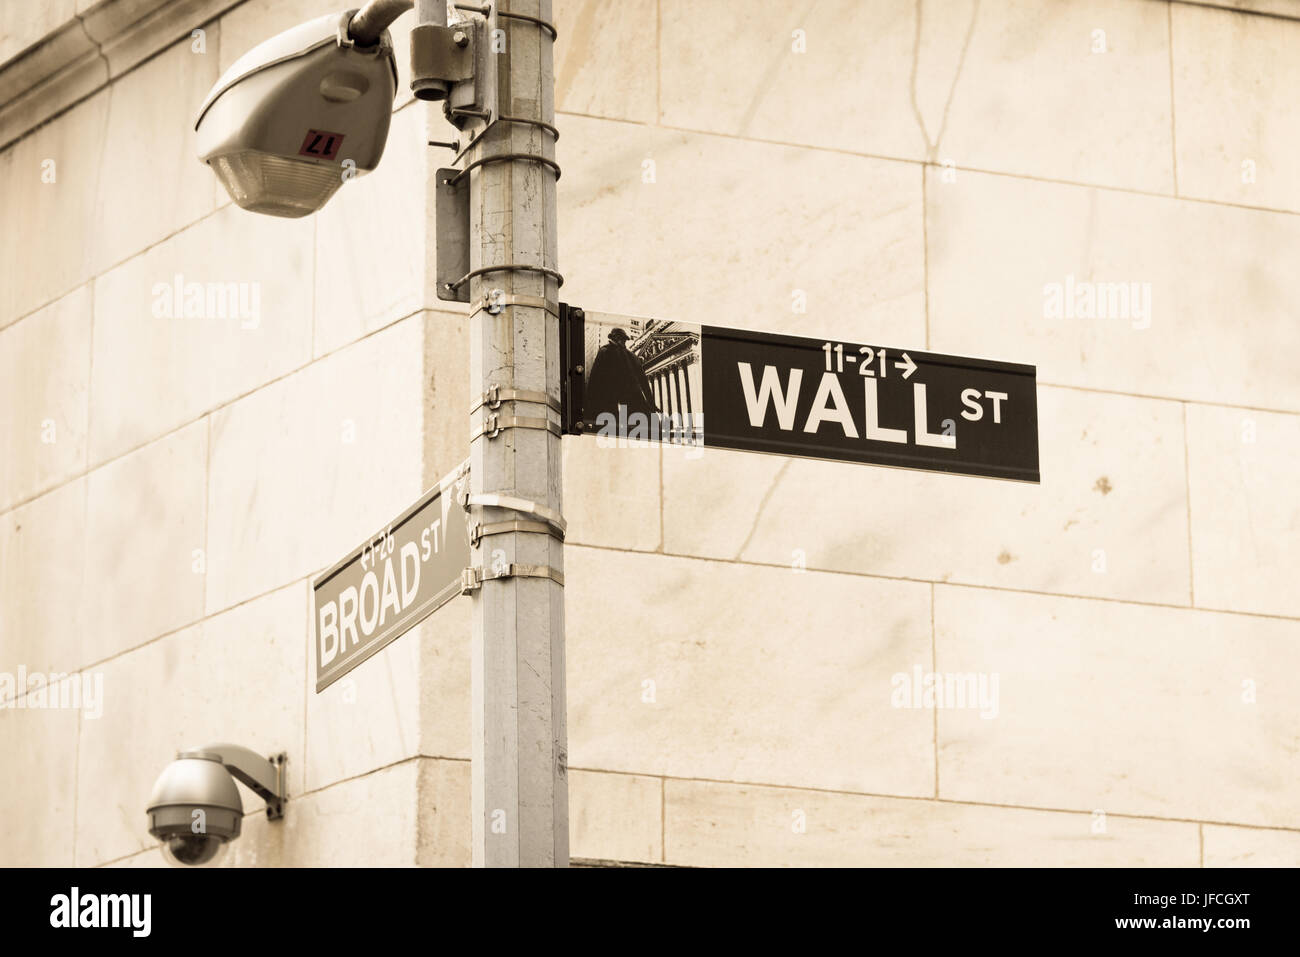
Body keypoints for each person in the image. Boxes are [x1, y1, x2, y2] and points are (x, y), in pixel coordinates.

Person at [583, 327, 658, 423]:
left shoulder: (608, 352)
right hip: (617, 400)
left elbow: (594, 380)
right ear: (615, 338)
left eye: (623, 339)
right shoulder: (610, 352)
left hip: (621, 400)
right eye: (621, 339)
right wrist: (651, 403)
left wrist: (651, 403)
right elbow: (595, 379)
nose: (623, 342)